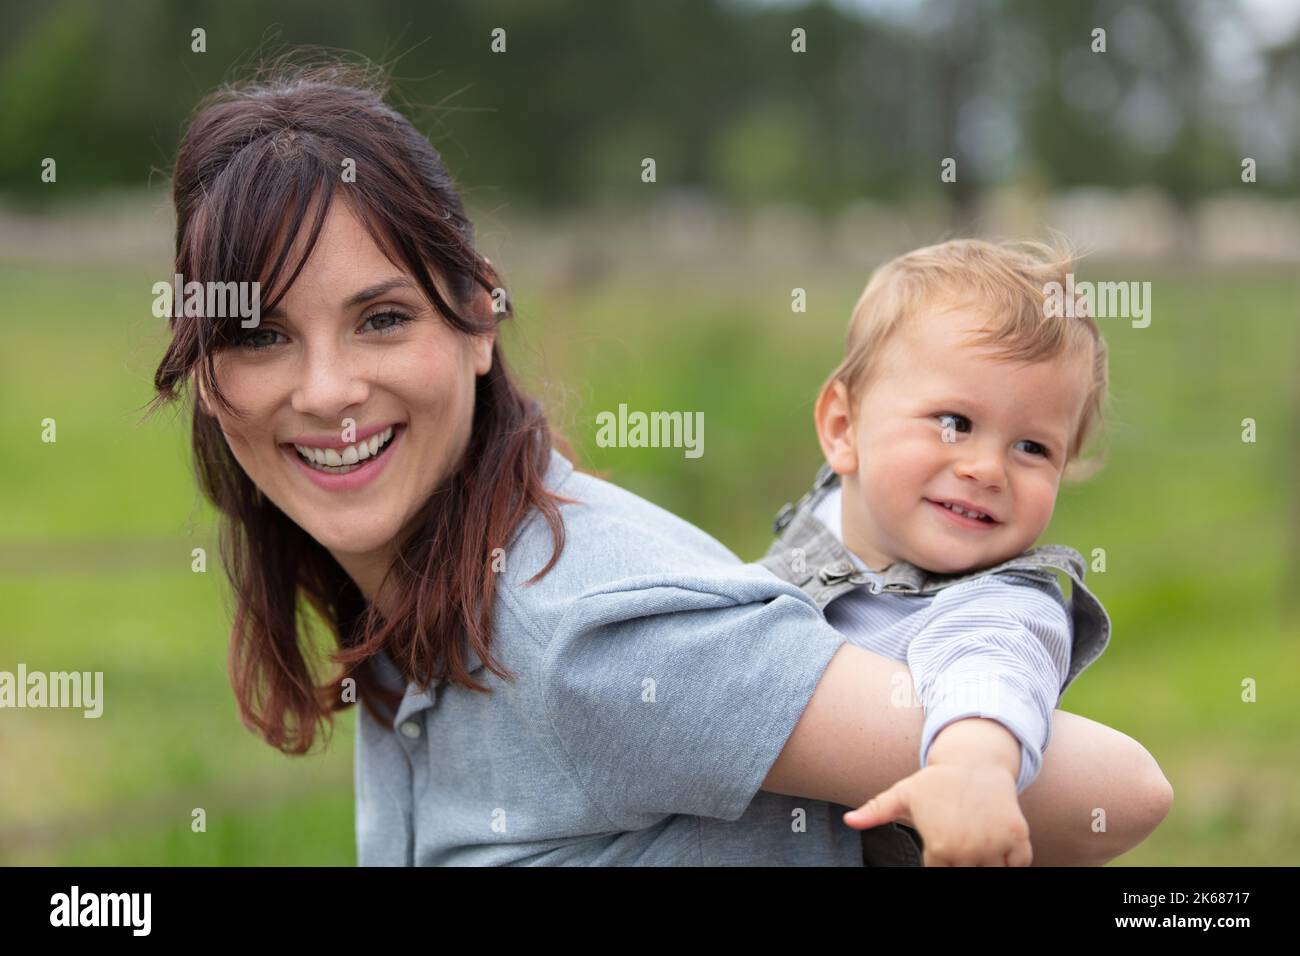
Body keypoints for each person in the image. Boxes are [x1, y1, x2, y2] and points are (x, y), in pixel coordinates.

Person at [148, 60, 1172, 865]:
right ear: (204, 372)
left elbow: (1117, 788)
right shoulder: (418, 597)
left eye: (381, 317)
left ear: (477, 317)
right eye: (261, 335)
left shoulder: (581, 635)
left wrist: (974, 762)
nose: (326, 389)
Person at [759, 238, 1171, 865]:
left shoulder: (1002, 600)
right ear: (844, 431)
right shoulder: (831, 516)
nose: (986, 469)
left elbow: (991, 670)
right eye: (954, 422)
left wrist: (973, 771)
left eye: (1033, 448)